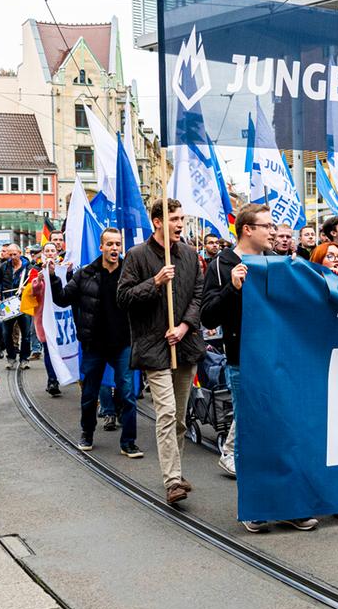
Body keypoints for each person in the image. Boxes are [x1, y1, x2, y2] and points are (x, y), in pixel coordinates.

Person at [201, 204, 320, 532]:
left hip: (281, 361)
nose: (274, 232)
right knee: (253, 433)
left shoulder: (278, 262)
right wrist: (232, 288)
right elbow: (208, 316)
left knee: (286, 431)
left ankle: (289, 504)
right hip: (243, 362)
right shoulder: (222, 264)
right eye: (267, 226)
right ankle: (256, 506)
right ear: (247, 229)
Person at [117, 198, 206, 505]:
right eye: (174, 219)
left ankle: (176, 470)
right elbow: (123, 298)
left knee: (179, 417)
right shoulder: (137, 255)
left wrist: (183, 326)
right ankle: (172, 481)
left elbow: (198, 296)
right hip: (153, 346)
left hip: (184, 344)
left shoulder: (190, 255)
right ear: (157, 222)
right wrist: (155, 281)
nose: (180, 224)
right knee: (166, 413)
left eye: (182, 218)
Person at [51, 228, 142, 458]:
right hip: (94, 345)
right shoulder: (85, 274)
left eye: (117, 244)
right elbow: (62, 299)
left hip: (123, 343)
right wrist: (53, 277)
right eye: (110, 244)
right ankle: (87, 433)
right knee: (90, 393)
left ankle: (129, 442)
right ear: (101, 247)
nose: (114, 248)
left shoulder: (129, 273)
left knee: (127, 393)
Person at [29, 243, 62, 396]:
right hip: (44, 316)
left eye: (52, 251)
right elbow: (33, 293)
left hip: (61, 316)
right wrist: (38, 280)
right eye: (47, 251)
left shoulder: (63, 267)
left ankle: (63, 375)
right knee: (48, 349)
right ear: (43, 253)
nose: (50, 253)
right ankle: (52, 380)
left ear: (57, 253)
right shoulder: (36, 270)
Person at [0, 244, 33, 370]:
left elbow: (35, 283)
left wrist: (27, 288)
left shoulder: (29, 267)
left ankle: (24, 359)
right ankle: (11, 358)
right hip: (8, 304)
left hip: (24, 304)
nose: (12, 257)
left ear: (20, 253)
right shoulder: (4, 266)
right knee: (6, 333)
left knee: (26, 334)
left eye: (14, 254)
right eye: (10, 254)